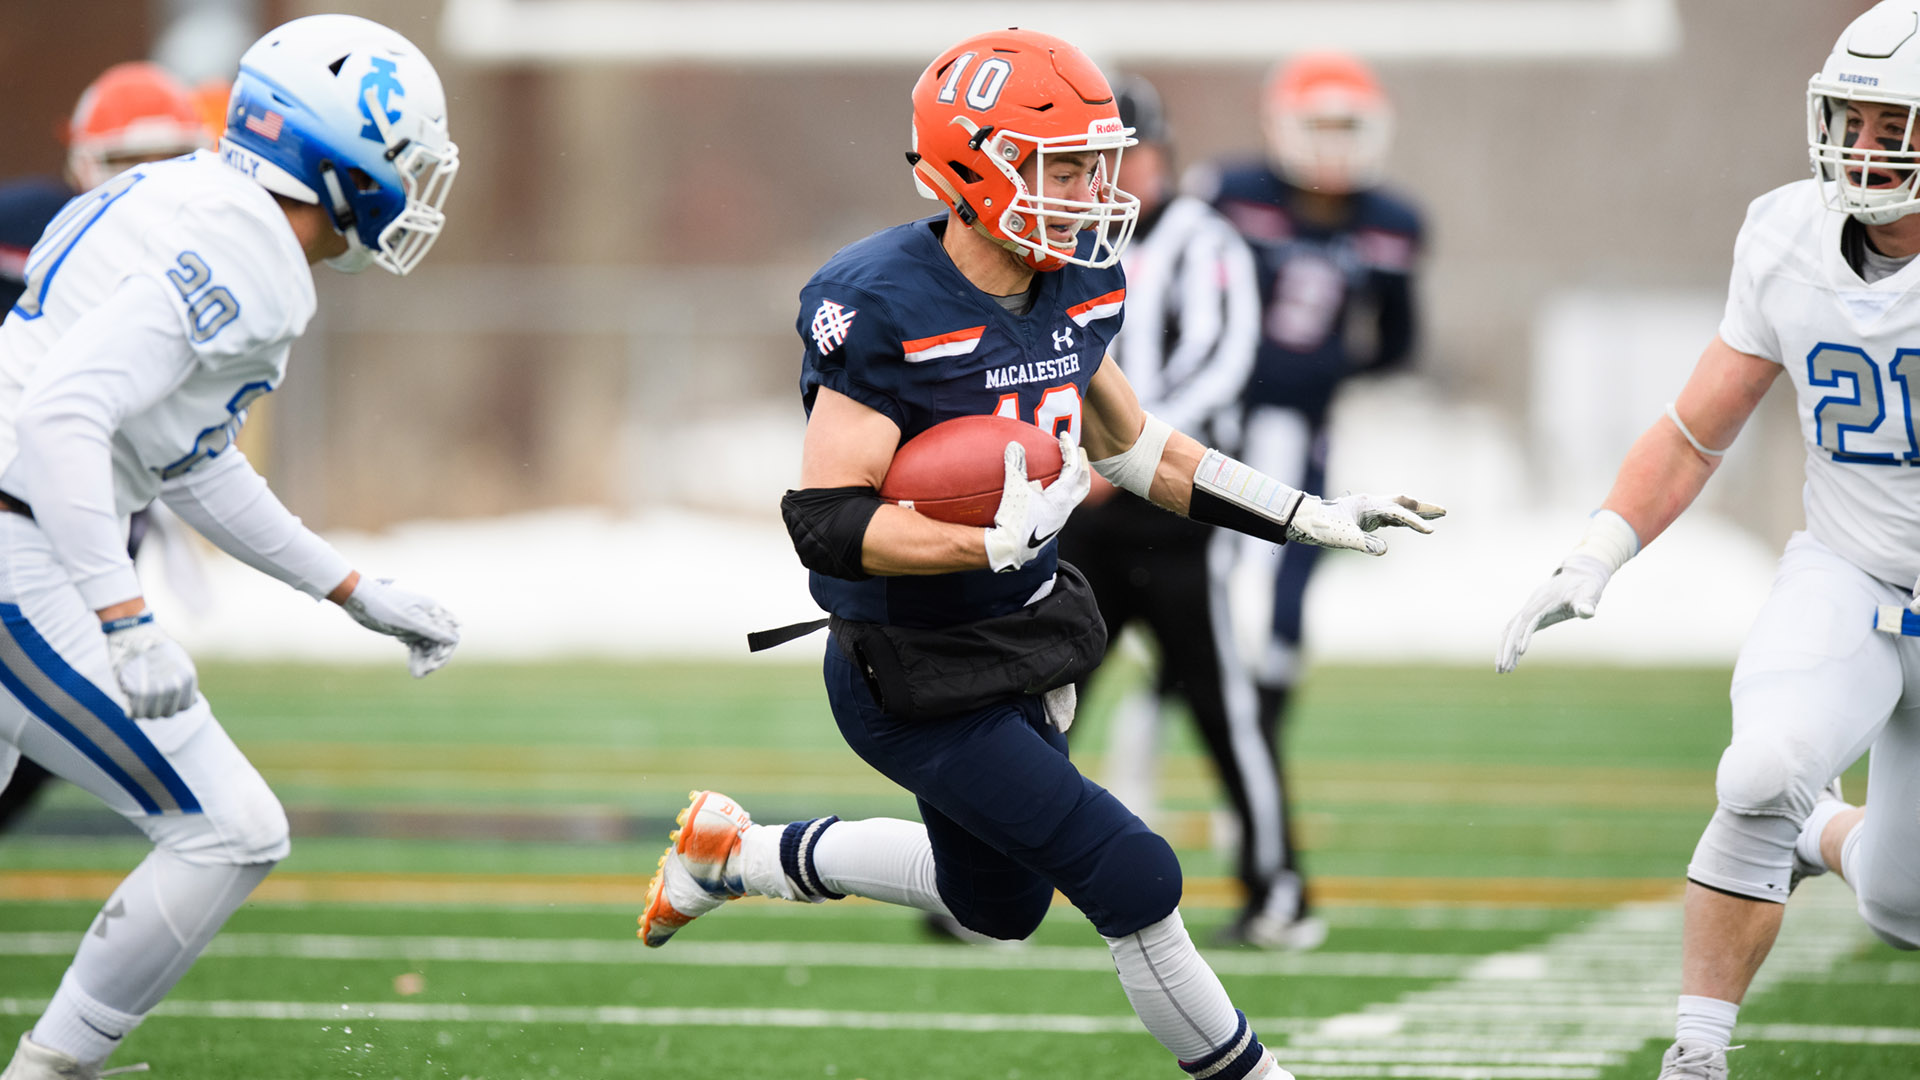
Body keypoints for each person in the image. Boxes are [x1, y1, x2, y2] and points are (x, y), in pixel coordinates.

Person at [639, 29, 1442, 1080]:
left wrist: (1303, 514)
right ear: (974, 167)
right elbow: (825, 520)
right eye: (1064, 168)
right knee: (1134, 874)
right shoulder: (883, 301)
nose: (1095, 192)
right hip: (909, 667)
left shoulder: (1077, 282)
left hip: (1023, 642)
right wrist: (980, 540)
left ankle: (734, 854)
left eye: (1097, 165)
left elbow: (1137, 448)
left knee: (1001, 903)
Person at [0, 14, 463, 1079]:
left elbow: (188, 461)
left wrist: (349, 588)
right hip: (19, 540)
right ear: (339, 154)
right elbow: (62, 417)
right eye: (403, 160)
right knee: (230, 828)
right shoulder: (245, 249)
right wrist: (124, 618)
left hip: (26, 518)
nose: (412, 188)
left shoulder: (196, 200)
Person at [1498, 5, 1920, 1077]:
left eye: (1896, 126)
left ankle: (1828, 834)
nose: (1866, 148)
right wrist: (1598, 549)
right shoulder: (1785, 234)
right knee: (1760, 770)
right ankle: (1696, 1053)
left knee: (1904, 903)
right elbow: (1697, 430)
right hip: (1850, 573)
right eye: (1855, 119)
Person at [1049, 77, 1317, 951]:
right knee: (1042, 695)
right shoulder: (1061, 240)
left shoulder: (1206, 240)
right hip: (1087, 513)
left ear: (1160, 154)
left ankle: (1278, 889)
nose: (1111, 176)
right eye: (1093, 160)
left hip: (1176, 513)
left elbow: (1219, 365)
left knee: (1222, 706)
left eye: (1126, 156)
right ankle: (990, 884)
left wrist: (1120, 451)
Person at [1187, 50, 1425, 945]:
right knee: (1196, 618)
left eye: (1345, 126)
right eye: (1317, 124)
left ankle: (1253, 794)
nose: (1331, 145)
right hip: (1214, 441)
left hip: (1305, 451)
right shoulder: (1228, 195)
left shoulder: (1394, 223)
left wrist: (1322, 375)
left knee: (1279, 626)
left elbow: (1395, 341)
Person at [0, 61, 215, 835]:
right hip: (19, 504)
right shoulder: (35, 226)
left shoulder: (209, 258)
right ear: (85, 162)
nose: (148, 179)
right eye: (129, 160)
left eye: (169, 158)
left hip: (99, 514)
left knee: (55, 733)